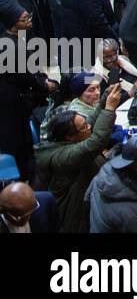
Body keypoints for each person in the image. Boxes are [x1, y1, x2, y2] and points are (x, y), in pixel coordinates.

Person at [35, 83, 126, 232]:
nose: (88, 127)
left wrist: (104, 100)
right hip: (78, 219)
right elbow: (96, 142)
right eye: (83, 127)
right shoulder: (62, 158)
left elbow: (90, 122)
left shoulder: (71, 138)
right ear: (70, 137)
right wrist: (109, 109)